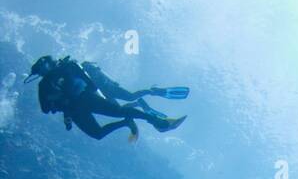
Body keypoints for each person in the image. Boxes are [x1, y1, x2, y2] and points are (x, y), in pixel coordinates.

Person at [24, 56, 186, 141]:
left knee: (116, 114)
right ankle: (131, 121)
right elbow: (90, 82)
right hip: (84, 101)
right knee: (104, 127)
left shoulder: (46, 84)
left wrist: (61, 104)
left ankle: (159, 122)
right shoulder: (64, 69)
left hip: (79, 105)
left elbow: (46, 109)